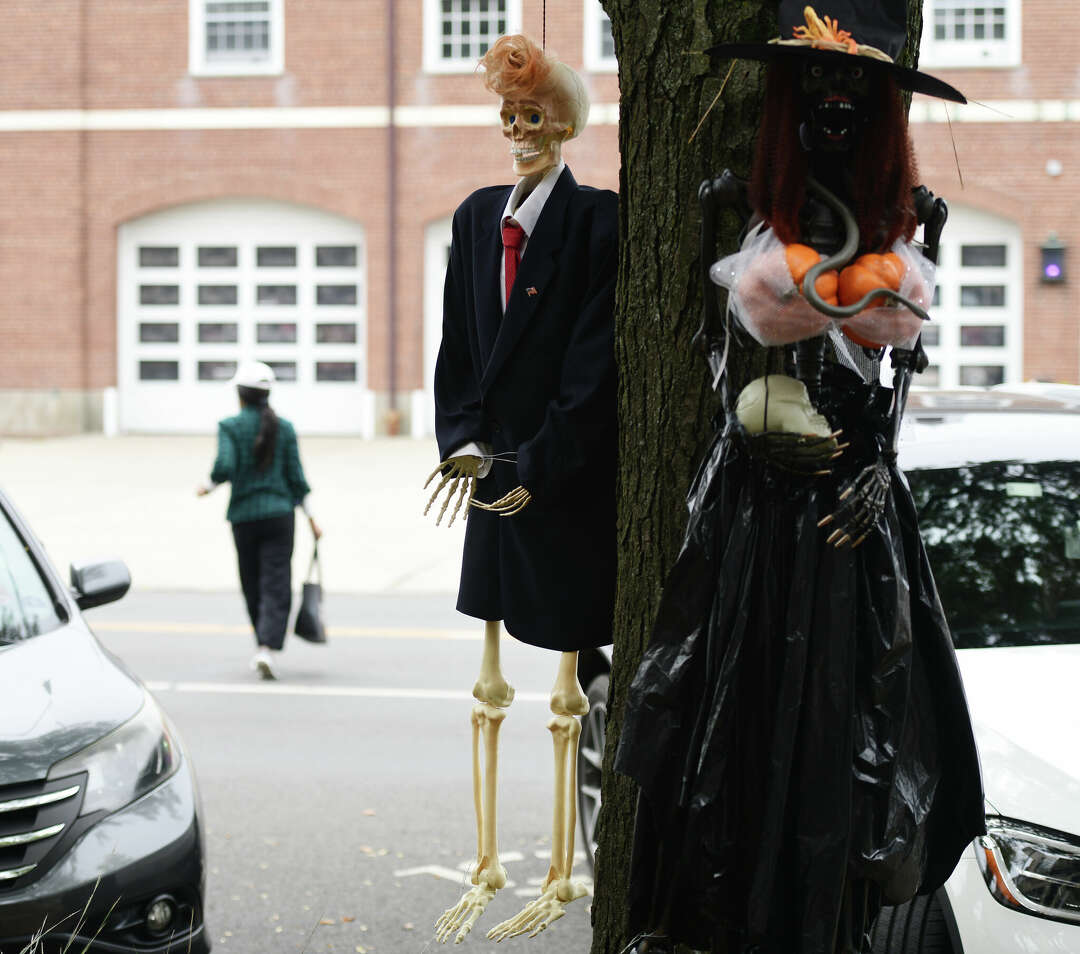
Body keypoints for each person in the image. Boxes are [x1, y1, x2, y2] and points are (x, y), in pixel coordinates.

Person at [614, 5, 984, 953]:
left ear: (881, 102)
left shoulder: (916, 221)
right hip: (754, 499)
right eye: (817, 83)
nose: (835, 99)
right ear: (787, 96)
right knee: (731, 710)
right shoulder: (734, 200)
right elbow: (707, 349)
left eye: (856, 84)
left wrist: (879, 468)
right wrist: (749, 433)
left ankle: (829, 924)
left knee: (852, 722)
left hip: (853, 510)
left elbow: (903, 377)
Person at [424, 34, 618, 943]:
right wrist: (460, 442)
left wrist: (536, 464)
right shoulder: (472, 219)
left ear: (566, 124)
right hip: (489, 476)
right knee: (490, 673)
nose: (519, 130)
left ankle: (562, 874)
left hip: (561, 483)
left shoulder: (597, 225)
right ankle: (488, 864)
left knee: (569, 685)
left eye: (534, 115)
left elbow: (593, 369)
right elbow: (459, 346)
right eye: (508, 115)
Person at [197, 361, 321, 680]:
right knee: (276, 583)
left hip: (244, 517)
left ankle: (261, 644)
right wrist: (311, 518)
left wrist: (208, 486)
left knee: (251, 582)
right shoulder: (286, 428)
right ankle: (267, 646)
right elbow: (296, 478)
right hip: (281, 516)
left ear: (240, 394)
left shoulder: (230, 426)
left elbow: (224, 467)